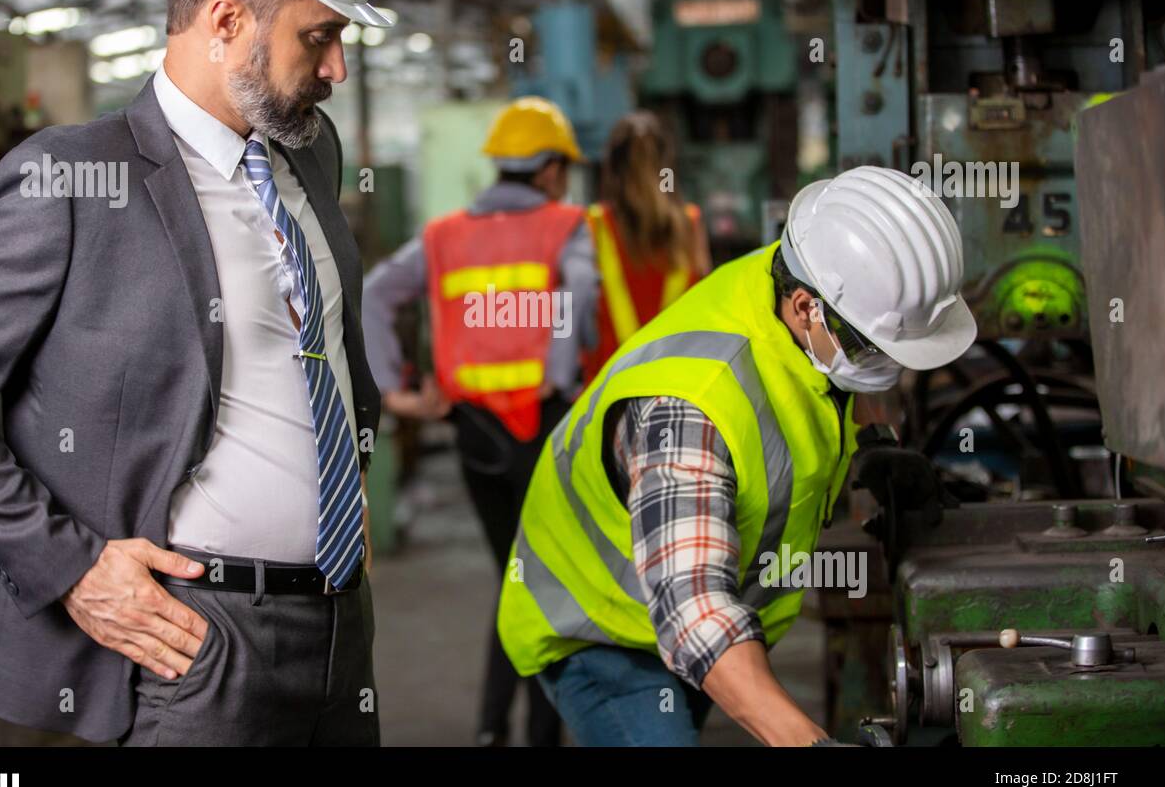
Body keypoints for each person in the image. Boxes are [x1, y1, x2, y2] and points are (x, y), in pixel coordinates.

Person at [0, 0, 388, 745]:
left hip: (342, 623)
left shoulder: (310, 156)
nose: (337, 68)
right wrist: (70, 568)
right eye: (319, 36)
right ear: (226, 20)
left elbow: (313, 351)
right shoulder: (75, 179)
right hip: (194, 642)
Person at [497, 166, 978, 746]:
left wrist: (873, 446)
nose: (887, 370)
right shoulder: (691, 411)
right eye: (874, 351)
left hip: (696, 601)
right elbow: (694, 616)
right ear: (804, 307)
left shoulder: (796, 282)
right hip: (600, 627)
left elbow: (828, 392)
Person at [363, 97, 599, 746]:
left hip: (476, 436)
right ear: (548, 169)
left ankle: (493, 729)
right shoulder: (566, 224)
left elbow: (375, 292)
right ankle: (536, 735)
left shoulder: (443, 236)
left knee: (515, 578)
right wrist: (557, 370)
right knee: (543, 581)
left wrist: (396, 391)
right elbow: (580, 295)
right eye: (564, 168)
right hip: (542, 426)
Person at [583, 111, 710, 381]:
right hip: (677, 387)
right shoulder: (690, 224)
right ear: (668, 168)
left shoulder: (594, 226)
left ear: (612, 170)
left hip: (609, 388)